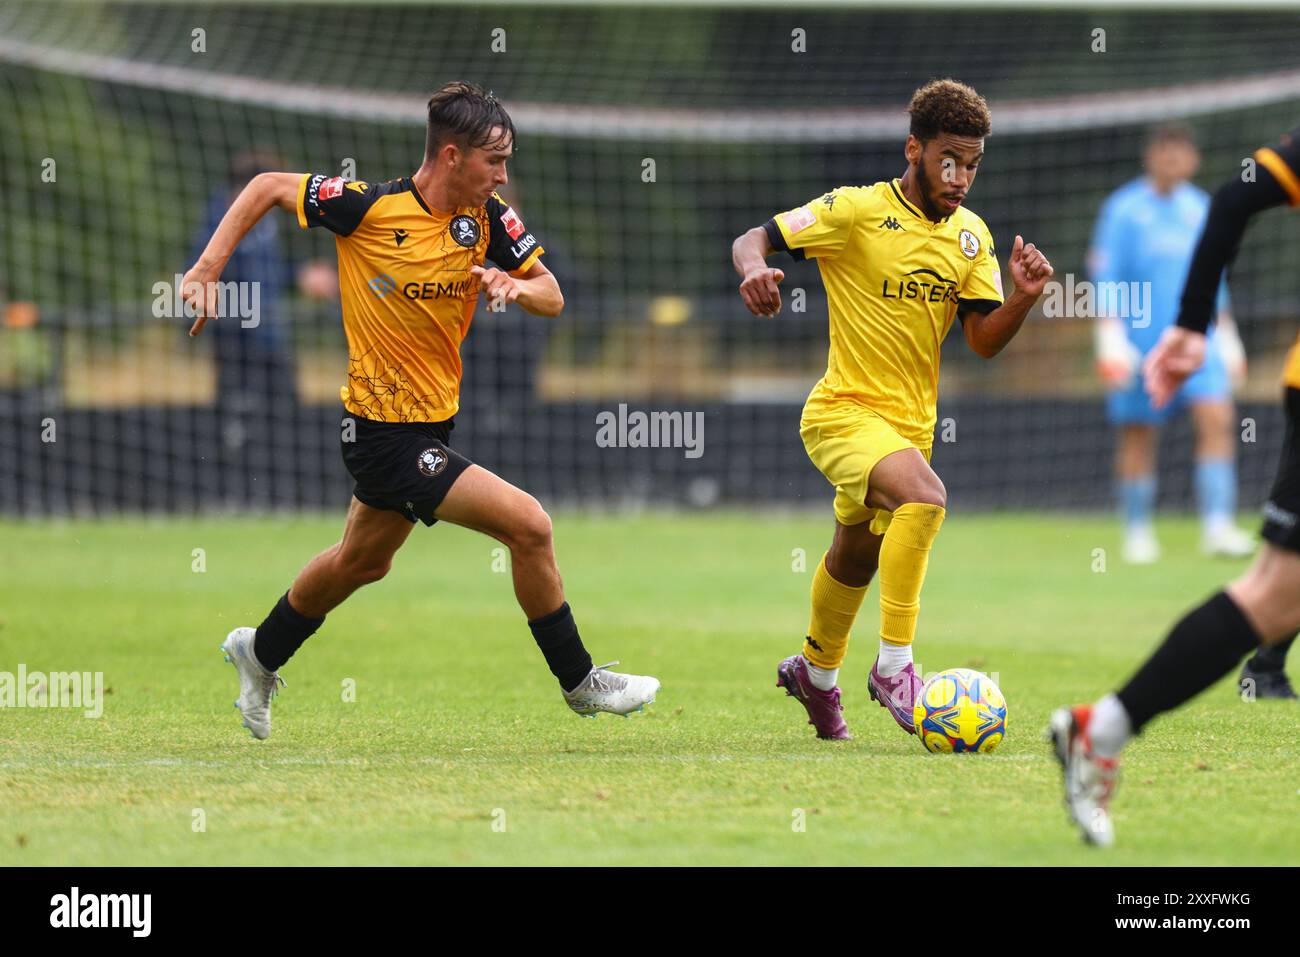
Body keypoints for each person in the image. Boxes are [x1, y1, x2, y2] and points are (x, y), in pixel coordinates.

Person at [181, 81, 659, 739]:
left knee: (361, 562)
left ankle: (259, 652)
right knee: (530, 526)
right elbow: (265, 185)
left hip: (431, 423)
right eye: (495, 160)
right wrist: (206, 272)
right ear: (453, 154)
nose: (504, 174)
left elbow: (553, 295)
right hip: (381, 433)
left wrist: (513, 284)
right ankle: (581, 682)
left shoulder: (487, 218)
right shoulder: (366, 207)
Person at [731, 79, 1053, 740]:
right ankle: (895, 667)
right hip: (842, 412)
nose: (962, 176)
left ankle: (815, 676)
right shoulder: (854, 211)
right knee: (926, 500)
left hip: (910, 428)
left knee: (855, 555)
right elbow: (754, 238)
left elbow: (984, 341)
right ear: (915, 147)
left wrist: (1022, 297)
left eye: (973, 164)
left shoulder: (970, 239)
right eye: (949, 160)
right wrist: (751, 271)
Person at [1051, 125, 1300, 847]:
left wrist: (1204, 327)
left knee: (1279, 592)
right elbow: (1237, 199)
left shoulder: (1195, 199)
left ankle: (1099, 729)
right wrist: (1176, 328)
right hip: (1139, 336)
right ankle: (1103, 722)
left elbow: (1225, 200)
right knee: (1274, 592)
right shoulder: (1125, 209)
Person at [1090, 124, 1253, 564]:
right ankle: (1137, 531)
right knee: (1139, 435)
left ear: (1193, 159)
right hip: (1141, 341)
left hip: (1198, 340)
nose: (1172, 160)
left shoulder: (1202, 208)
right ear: (1150, 157)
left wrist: (1229, 335)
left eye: (1180, 152)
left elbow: (1214, 278)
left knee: (1217, 418)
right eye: (1164, 151)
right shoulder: (1123, 210)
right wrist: (1110, 336)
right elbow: (1106, 275)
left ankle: (1217, 526)